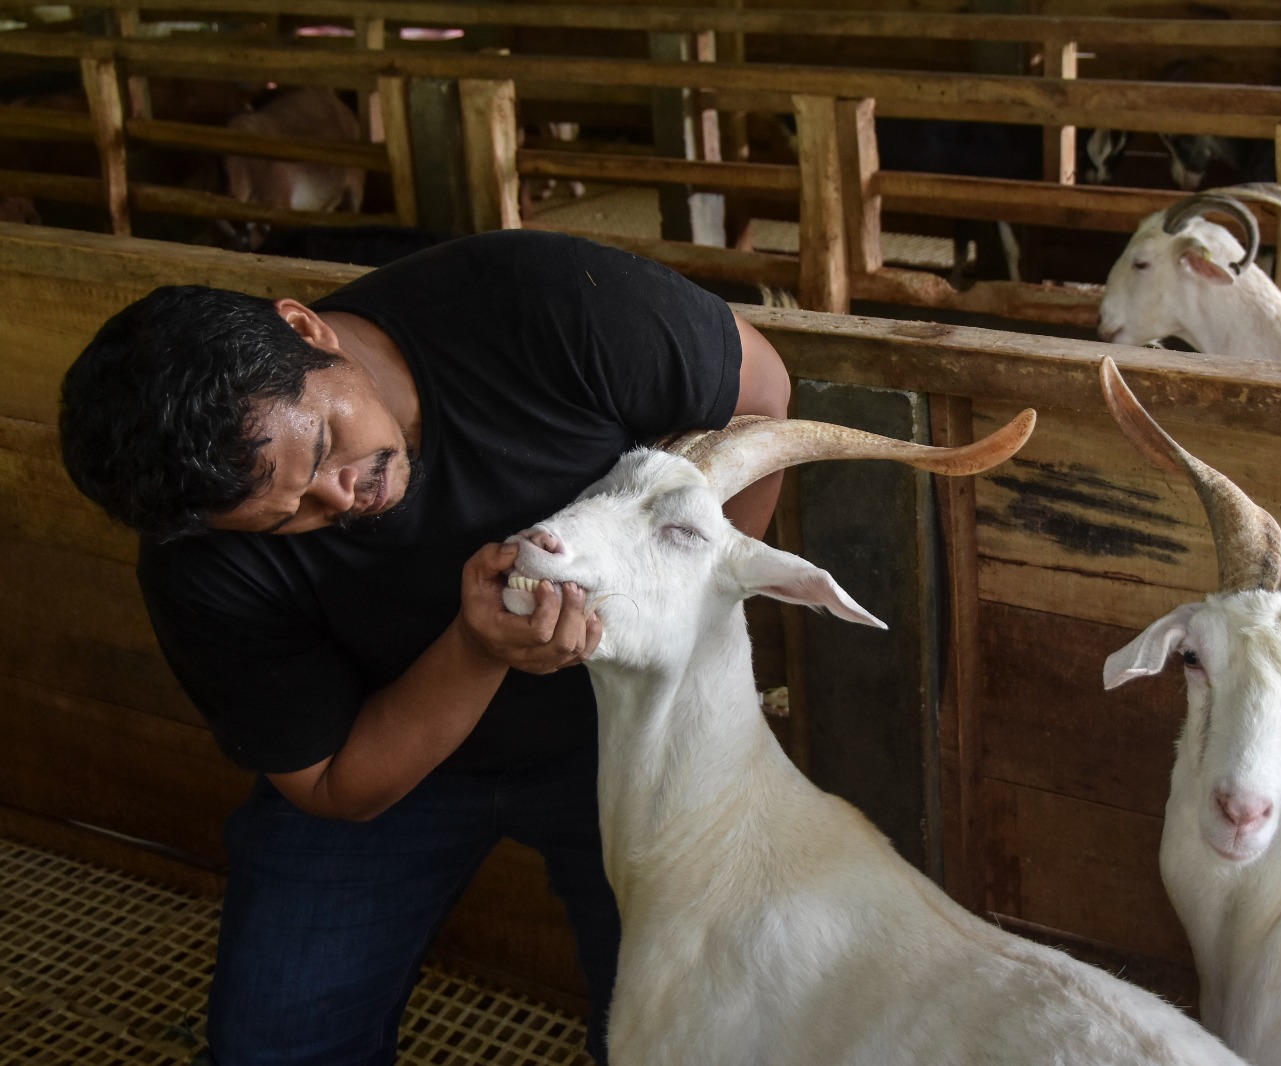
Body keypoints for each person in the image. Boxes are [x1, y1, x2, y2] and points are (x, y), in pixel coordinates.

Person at [56, 229, 792, 1066]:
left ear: (306, 328)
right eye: (286, 517)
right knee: (276, 1044)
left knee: (677, 1028)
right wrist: (479, 650)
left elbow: (759, 392)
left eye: (327, 445)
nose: (340, 497)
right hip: (400, 761)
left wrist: (679, 612)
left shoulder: (539, 298)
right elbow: (337, 785)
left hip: (626, 729)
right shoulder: (200, 567)